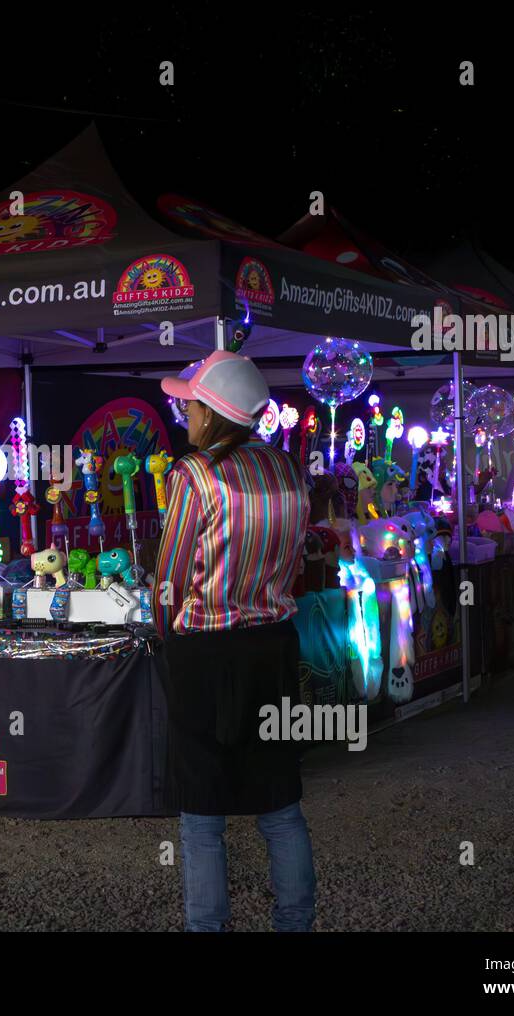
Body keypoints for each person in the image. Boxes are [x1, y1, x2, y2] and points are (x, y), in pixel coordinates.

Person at [152, 351, 316, 932]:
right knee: (279, 803)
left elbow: (170, 580)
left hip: (206, 652)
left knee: (202, 813)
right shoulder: (287, 469)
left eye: (191, 406)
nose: (186, 415)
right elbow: (296, 564)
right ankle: (295, 923)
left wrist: (164, 632)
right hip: (274, 646)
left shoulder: (194, 474)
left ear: (212, 412)